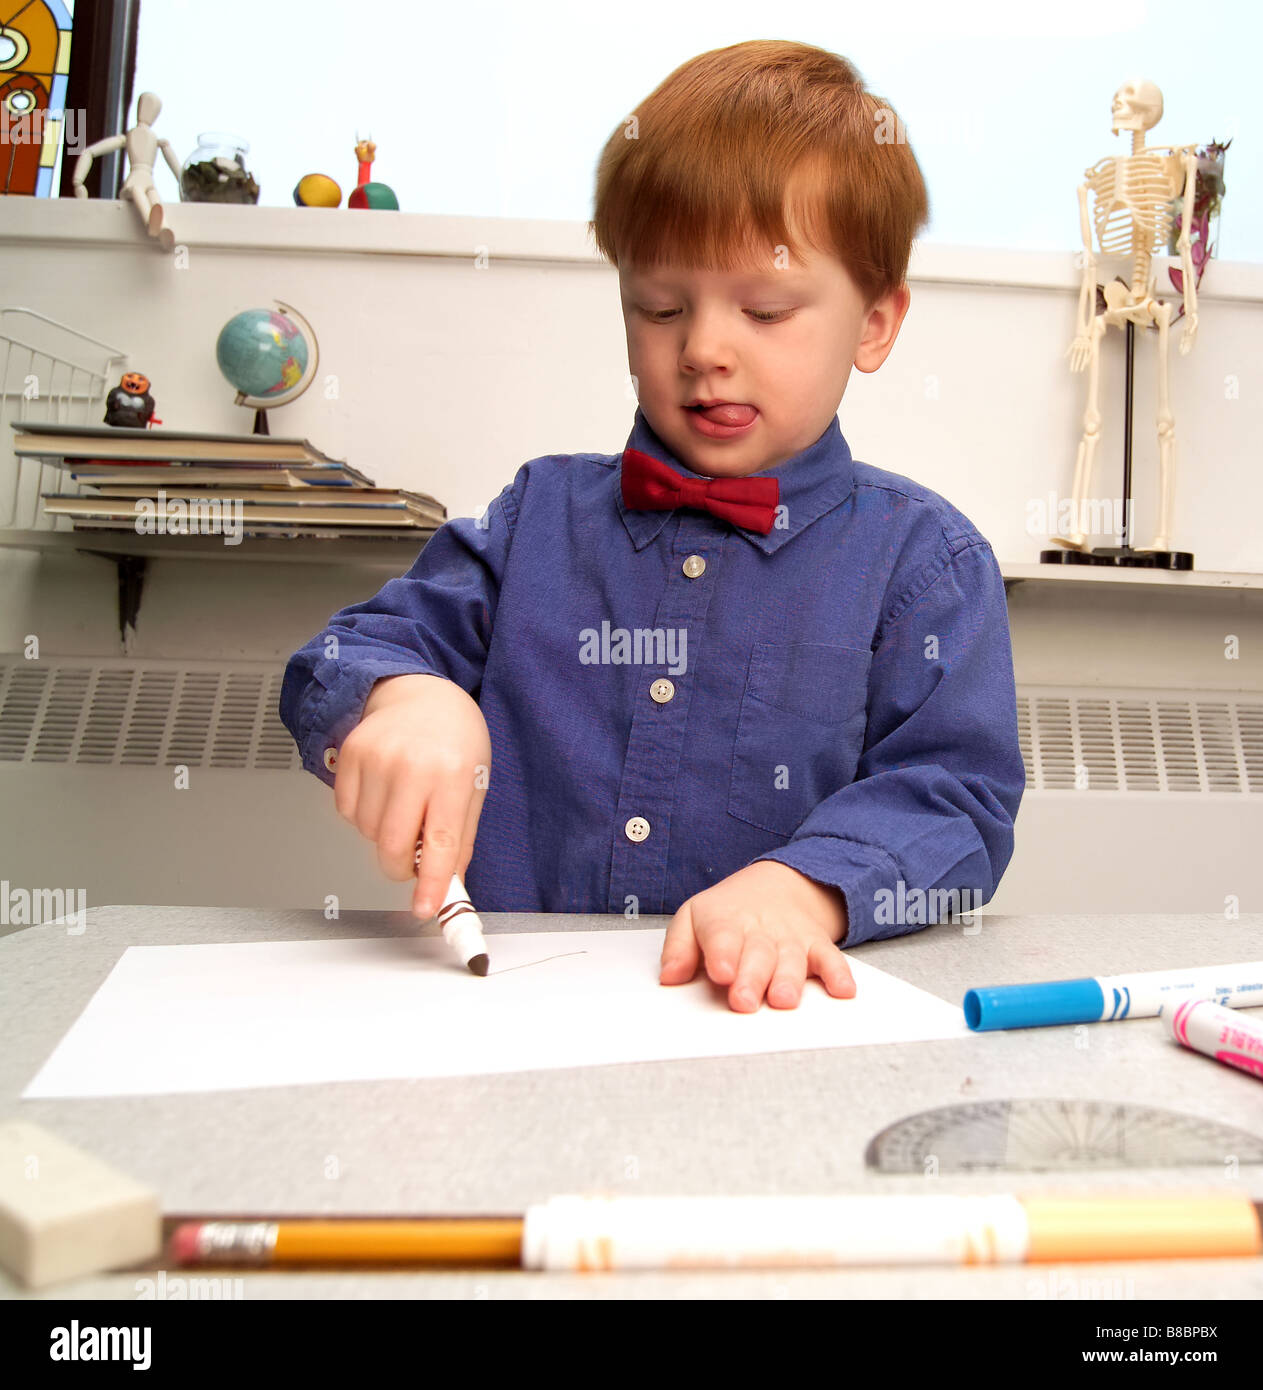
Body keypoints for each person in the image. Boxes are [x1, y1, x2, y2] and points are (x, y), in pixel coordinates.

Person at [279, 39, 1026, 1014]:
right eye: (662, 306)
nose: (705, 349)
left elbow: (957, 798)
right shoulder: (534, 515)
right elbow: (342, 654)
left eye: (764, 309)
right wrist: (407, 697)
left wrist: (807, 886)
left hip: (768, 1034)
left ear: (875, 323)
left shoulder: (926, 565)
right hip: (503, 1020)